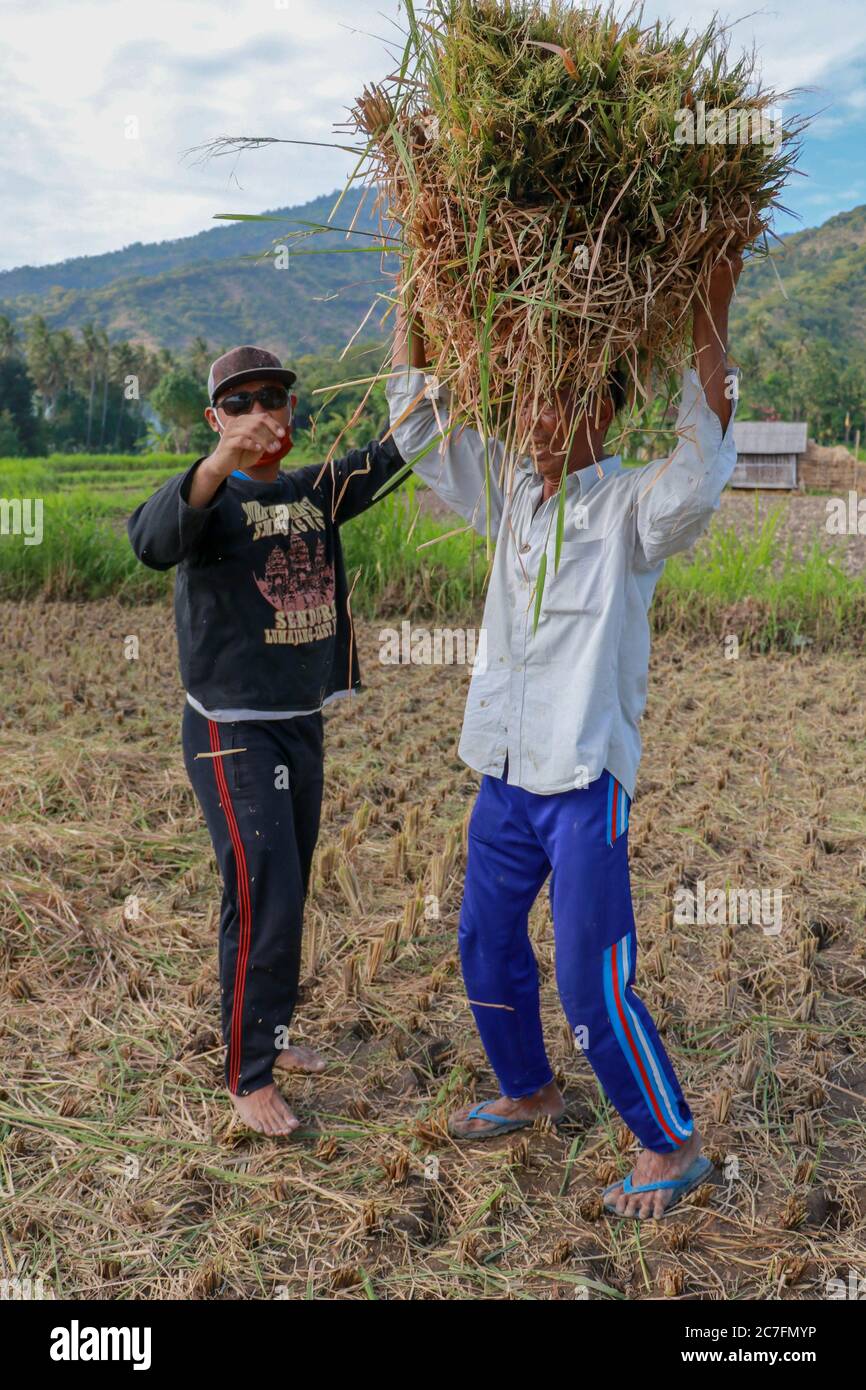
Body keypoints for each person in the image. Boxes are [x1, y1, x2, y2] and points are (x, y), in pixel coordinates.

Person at [386, 257, 742, 1218]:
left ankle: (670, 1145)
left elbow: (702, 464)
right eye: (527, 396)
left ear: (600, 409)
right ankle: (530, 1088)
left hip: (584, 781)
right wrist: (420, 278)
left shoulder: (631, 507)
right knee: (483, 939)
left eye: (562, 399)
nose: (538, 418)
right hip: (502, 773)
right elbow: (415, 421)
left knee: (593, 976)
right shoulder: (508, 495)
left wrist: (712, 301)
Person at [128, 345, 409, 1136]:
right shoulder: (207, 499)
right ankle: (246, 1076)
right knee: (267, 895)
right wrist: (217, 463)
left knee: (275, 891)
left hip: (299, 723)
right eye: (241, 403)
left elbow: (399, 448)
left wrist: (419, 340)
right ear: (216, 419)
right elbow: (149, 542)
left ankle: (271, 1036)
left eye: (275, 399)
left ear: (291, 412)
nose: (262, 414)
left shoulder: (315, 492)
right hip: (229, 732)